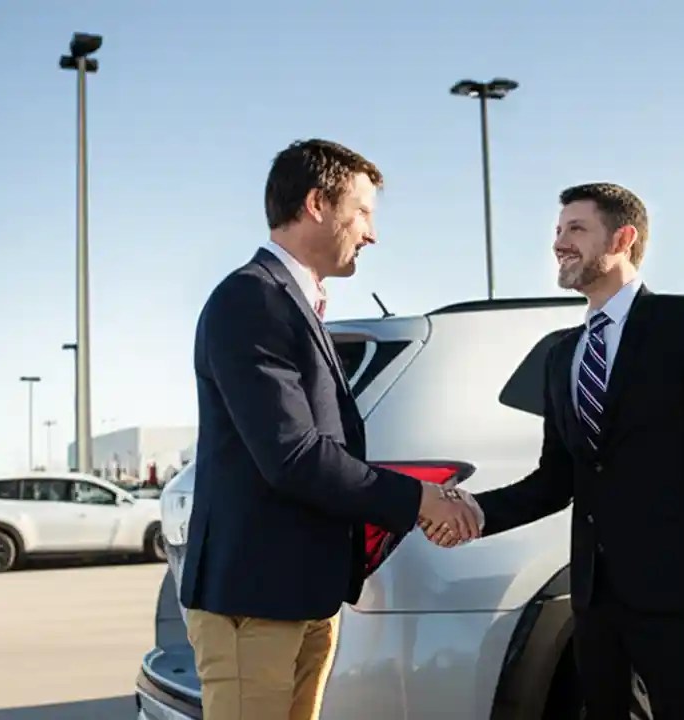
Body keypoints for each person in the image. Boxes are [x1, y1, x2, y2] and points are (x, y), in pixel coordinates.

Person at [427, 183, 684, 719]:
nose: (558, 243)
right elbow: (555, 479)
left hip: (678, 584)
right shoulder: (561, 355)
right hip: (594, 595)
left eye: (576, 228)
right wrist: (476, 510)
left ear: (622, 238)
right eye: (558, 230)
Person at [180, 138, 479, 720]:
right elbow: (294, 456)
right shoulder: (252, 298)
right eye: (362, 212)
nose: (371, 233)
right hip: (256, 603)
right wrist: (421, 498)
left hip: (300, 597)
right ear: (317, 204)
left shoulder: (293, 301)